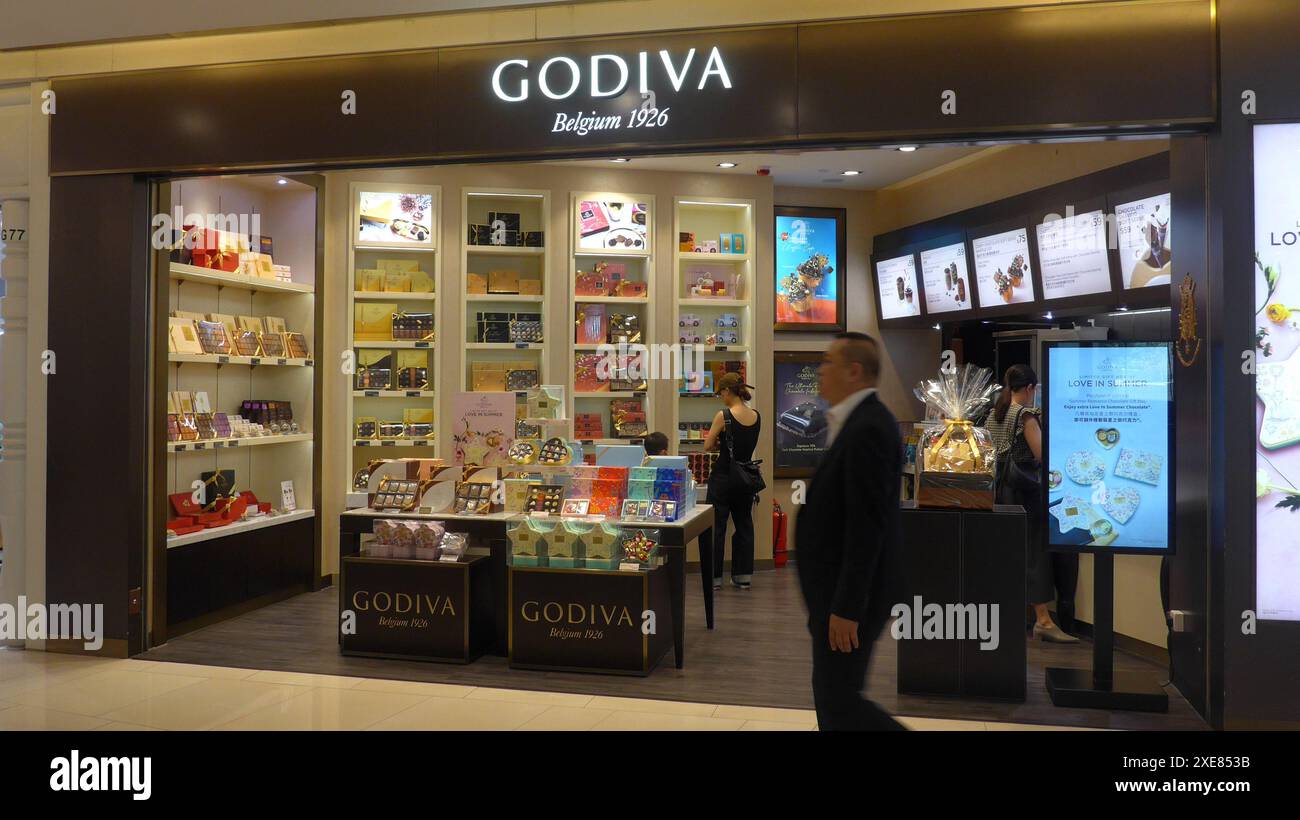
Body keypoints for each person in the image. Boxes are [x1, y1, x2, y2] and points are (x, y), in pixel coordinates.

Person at [796, 332, 905, 731]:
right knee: (833, 700)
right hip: (834, 597)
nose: (820, 370)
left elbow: (867, 526)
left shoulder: (869, 428)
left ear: (854, 371)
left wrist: (847, 607)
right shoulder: (853, 422)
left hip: (848, 601)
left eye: (827, 362)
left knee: (839, 702)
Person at [986, 364, 1078, 643]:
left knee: (1011, 553)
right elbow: (1041, 455)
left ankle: (1012, 615)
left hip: (1001, 491)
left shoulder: (994, 414)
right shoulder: (1025, 415)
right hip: (1026, 492)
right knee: (1035, 553)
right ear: (1030, 389)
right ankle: (1043, 620)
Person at [702, 372, 760, 590]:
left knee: (717, 527)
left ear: (727, 391)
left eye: (721, 393)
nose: (721, 398)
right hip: (746, 477)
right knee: (744, 524)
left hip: (724, 477)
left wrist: (720, 445)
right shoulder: (756, 416)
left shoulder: (724, 415)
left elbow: (707, 446)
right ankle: (743, 575)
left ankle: (715, 578)